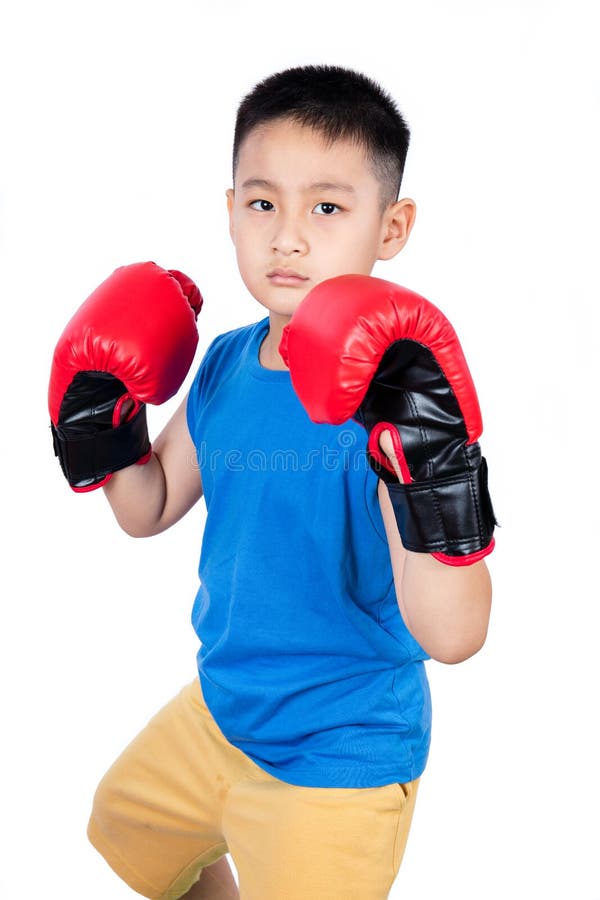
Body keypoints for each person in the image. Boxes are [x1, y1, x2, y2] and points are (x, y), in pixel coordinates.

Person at [52, 65, 494, 899]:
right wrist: (104, 425)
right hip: (223, 711)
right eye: (263, 203)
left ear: (391, 226)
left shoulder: (396, 400)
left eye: (327, 208)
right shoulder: (223, 363)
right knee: (124, 825)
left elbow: (454, 635)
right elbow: (148, 507)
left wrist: (435, 463)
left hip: (338, 750)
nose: (288, 236)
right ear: (229, 212)